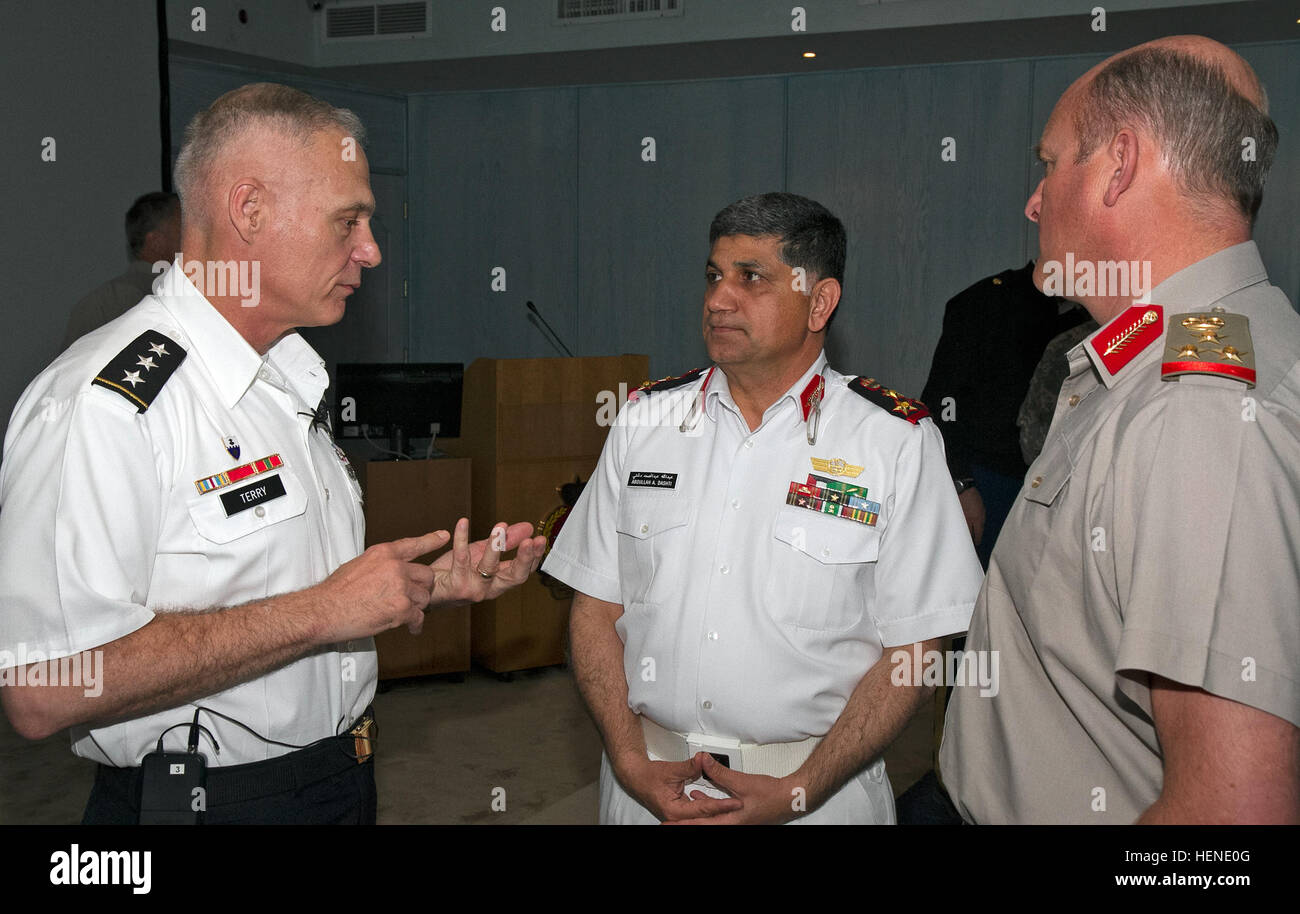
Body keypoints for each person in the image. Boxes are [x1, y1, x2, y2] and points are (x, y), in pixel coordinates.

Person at [0, 83, 546, 824]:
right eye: (348, 220)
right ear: (249, 209)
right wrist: (325, 610)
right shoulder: (103, 405)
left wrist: (424, 584)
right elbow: (44, 687)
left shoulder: (287, 375)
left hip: (339, 778)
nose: (371, 250)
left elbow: (267, 583)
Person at [940, 36, 1300, 823]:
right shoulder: (1174, 350)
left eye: (1050, 162)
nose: (1035, 201)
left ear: (1119, 164)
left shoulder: (1196, 414)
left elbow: (1229, 820)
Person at [543, 192, 984, 824]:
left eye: (751, 278)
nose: (720, 299)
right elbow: (595, 607)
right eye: (714, 276)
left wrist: (802, 786)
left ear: (819, 302)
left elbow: (917, 647)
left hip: (818, 800)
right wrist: (627, 757)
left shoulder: (894, 442)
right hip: (649, 789)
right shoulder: (644, 422)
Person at [920, 262, 1090, 566]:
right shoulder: (987, 302)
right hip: (988, 482)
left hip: (1062, 486)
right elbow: (942, 402)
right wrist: (961, 483)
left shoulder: (1093, 317)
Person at [62, 192, 181, 349]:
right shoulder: (106, 305)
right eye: (184, 229)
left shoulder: (96, 304)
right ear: (156, 242)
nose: (197, 237)